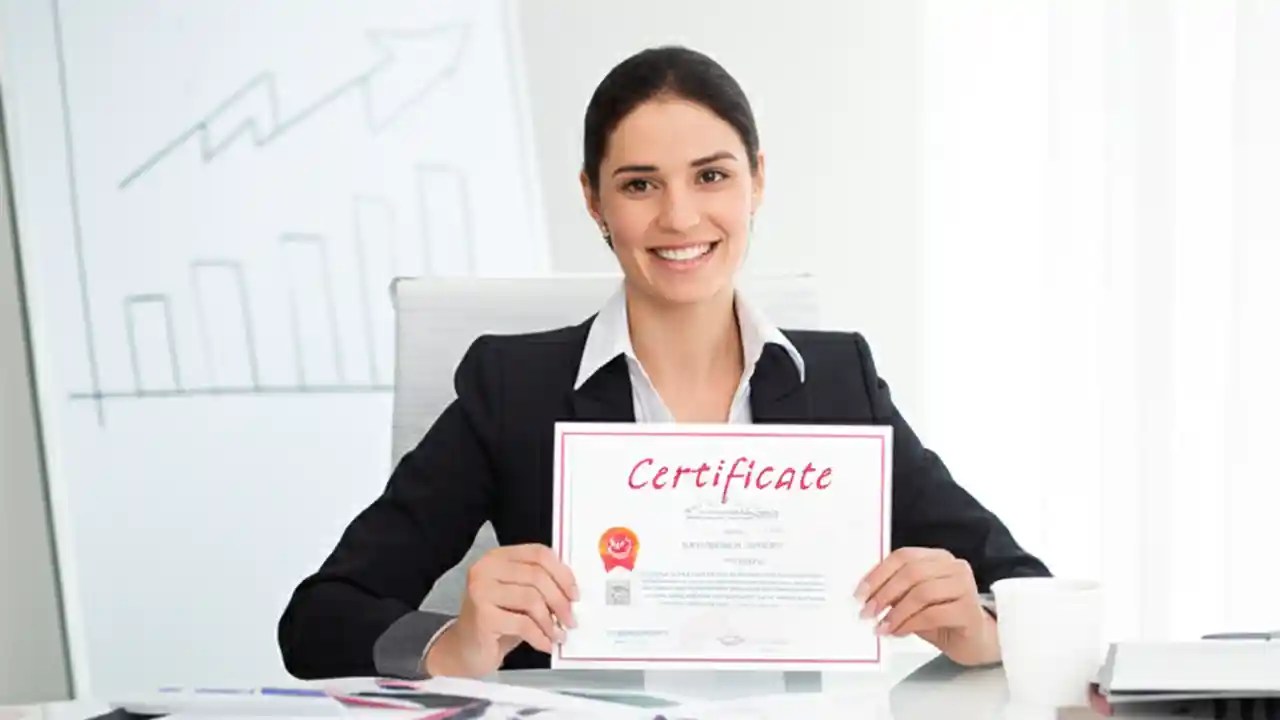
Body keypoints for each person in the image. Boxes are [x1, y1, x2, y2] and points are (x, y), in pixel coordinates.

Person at [278, 45, 1049, 681]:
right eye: (640, 185)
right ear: (593, 201)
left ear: (757, 181)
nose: (680, 217)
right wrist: (457, 645)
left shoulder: (839, 379)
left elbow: (1030, 590)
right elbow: (319, 621)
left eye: (711, 176)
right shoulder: (513, 390)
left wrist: (984, 625)